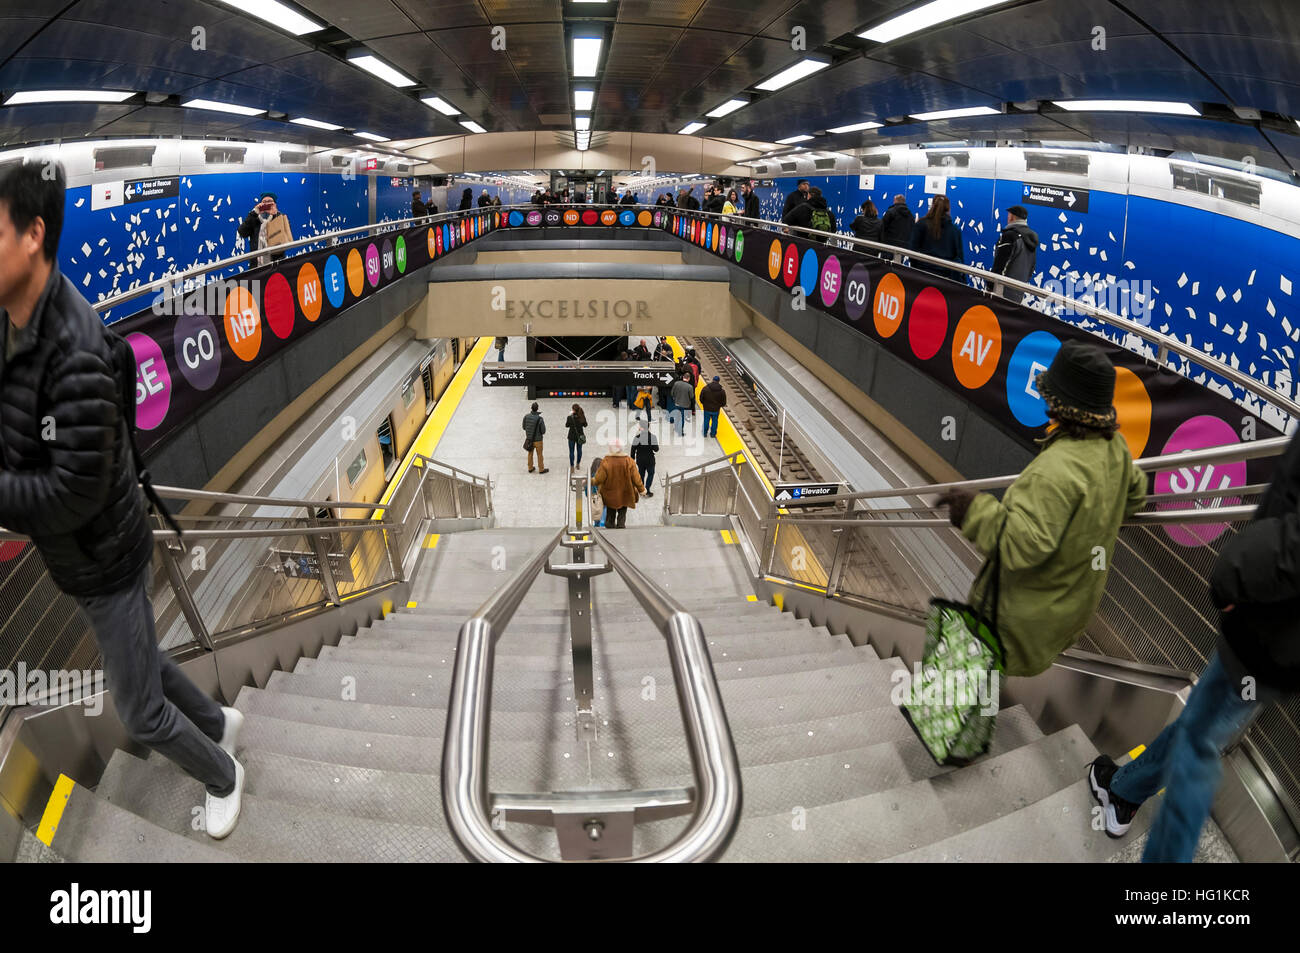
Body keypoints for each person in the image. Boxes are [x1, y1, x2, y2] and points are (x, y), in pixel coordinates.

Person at [0, 160, 244, 838]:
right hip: (85, 559)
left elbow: (71, 493)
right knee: (141, 658)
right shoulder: (22, 317)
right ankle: (221, 722)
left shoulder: (71, 349)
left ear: (32, 236)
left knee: (138, 712)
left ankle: (224, 774)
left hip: (103, 557)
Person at [1087, 431, 1300, 861]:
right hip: (1283, 645)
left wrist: (1230, 575)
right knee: (1203, 728)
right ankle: (1126, 787)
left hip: (1270, 631)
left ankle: (1132, 810)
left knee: (1199, 745)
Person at [936, 341, 1147, 681]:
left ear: (1059, 402)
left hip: (1018, 620)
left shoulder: (1057, 471)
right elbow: (1136, 495)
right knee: (985, 677)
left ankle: (958, 723)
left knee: (975, 673)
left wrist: (971, 509)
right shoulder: (1116, 448)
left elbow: (1021, 544)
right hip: (1065, 609)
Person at [909, 195, 965, 282]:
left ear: (932, 206)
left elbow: (912, 251)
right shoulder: (955, 230)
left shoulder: (921, 224)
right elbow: (959, 257)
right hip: (945, 279)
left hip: (922, 275)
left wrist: (916, 268)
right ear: (948, 209)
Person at [592, 439, 645, 529]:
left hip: (610, 494)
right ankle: (621, 525)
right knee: (622, 512)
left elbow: (599, 479)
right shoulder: (629, 461)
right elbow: (636, 478)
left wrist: (590, 481)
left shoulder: (606, 461)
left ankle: (610, 525)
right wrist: (642, 489)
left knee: (610, 512)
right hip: (626, 493)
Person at [991, 204, 1040, 299]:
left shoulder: (1009, 236)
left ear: (1012, 217)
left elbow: (1000, 264)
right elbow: (1032, 266)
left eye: (1008, 215)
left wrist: (990, 284)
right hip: (1019, 291)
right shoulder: (1032, 239)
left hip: (1002, 291)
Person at [238, 191, 293, 268]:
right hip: (256, 266)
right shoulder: (254, 219)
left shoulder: (280, 217)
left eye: (270, 202)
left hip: (276, 266)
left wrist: (275, 216)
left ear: (275, 204)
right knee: (255, 280)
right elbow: (242, 232)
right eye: (264, 202)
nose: (267, 204)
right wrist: (254, 212)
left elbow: (285, 236)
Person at [631, 419, 660, 498]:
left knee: (641, 474)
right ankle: (647, 489)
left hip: (640, 460)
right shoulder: (653, 437)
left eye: (640, 426)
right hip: (650, 460)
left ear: (642, 428)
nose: (639, 427)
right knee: (651, 474)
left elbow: (633, 449)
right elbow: (656, 449)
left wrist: (632, 458)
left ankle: (641, 490)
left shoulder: (637, 437)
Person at [522, 401, 548, 473]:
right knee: (539, 455)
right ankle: (541, 469)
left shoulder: (526, 416)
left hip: (529, 439)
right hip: (538, 440)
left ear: (531, 408)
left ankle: (530, 468)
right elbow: (543, 431)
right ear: (537, 409)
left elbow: (524, 427)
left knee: (530, 453)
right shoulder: (540, 419)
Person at [565, 404, 588, 471]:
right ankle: (578, 464)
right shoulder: (581, 417)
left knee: (571, 451)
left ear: (573, 410)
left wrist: (569, 416)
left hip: (571, 437)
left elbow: (566, 425)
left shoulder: (570, 417)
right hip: (579, 437)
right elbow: (585, 425)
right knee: (579, 450)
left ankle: (572, 466)